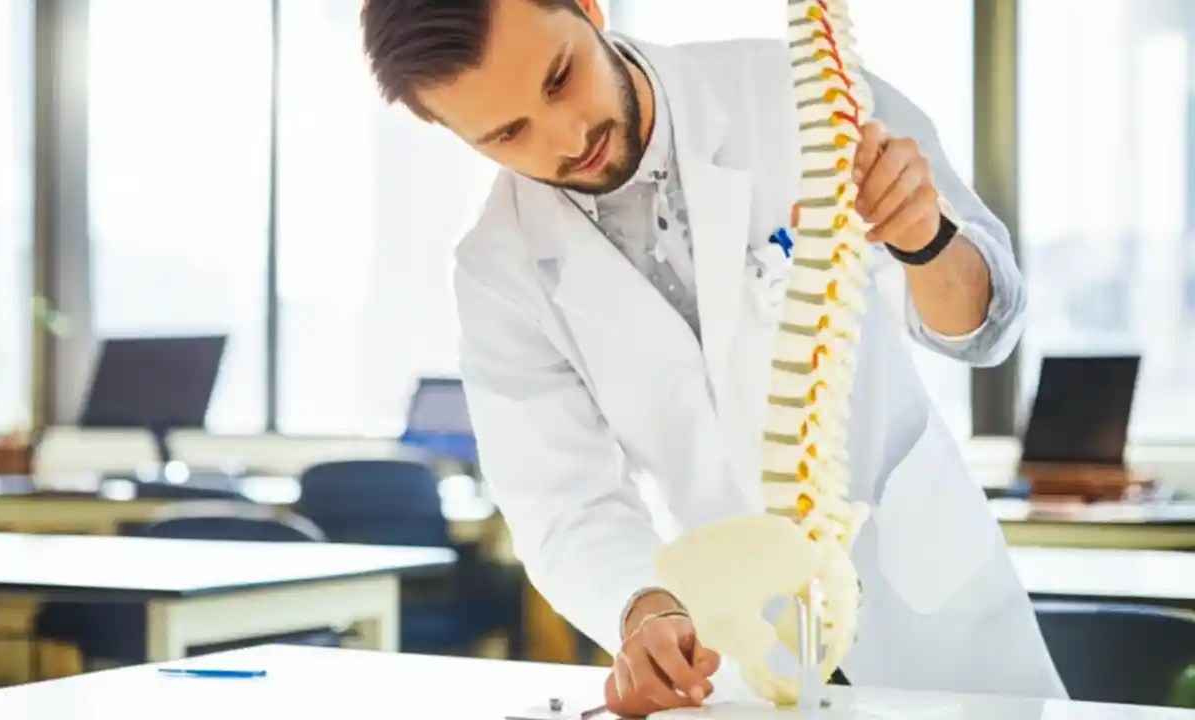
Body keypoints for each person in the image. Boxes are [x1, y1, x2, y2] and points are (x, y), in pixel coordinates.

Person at [361, 0, 1066, 715]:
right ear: (448, 130)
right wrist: (644, 611)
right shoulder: (498, 270)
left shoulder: (800, 96)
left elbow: (984, 328)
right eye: (508, 133)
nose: (569, 138)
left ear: (589, 8)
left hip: (928, 604)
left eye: (560, 78)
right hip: (733, 640)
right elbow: (562, 501)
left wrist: (926, 238)